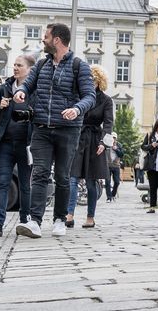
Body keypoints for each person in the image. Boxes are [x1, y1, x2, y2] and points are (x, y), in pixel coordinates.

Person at [11, 22, 96, 239]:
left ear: (57, 40)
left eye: (46, 37)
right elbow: (28, 84)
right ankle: (35, 222)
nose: (43, 40)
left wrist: (77, 109)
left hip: (68, 130)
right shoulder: (41, 65)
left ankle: (60, 219)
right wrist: (21, 91)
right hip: (41, 128)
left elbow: (90, 97)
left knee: (62, 176)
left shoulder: (79, 66)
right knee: (39, 173)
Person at [0, 55, 35, 237]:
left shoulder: (34, 89)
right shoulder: (5, 87)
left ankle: (24, 222)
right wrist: (0, 105)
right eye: (14, 65)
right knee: (2, 183)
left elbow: (40, 112)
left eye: (19, 65)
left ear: (29, 69)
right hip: (5, 142)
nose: (15, 68)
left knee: (25, 184)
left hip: (26, 143)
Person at [67, 65, 115, 228]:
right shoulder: (78, 97)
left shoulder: (106, 100)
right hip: (78, 137)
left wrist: (104, 143)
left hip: (95, 140)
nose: (90, 83)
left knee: (91, 181)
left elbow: (108, 124)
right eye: (87, 80)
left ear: (99, 82)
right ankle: (69, 214)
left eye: (93, 80)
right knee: (72, 178)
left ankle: (90, 217)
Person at [106, 136, 123, 202]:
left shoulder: (119, 145)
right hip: (107, 165)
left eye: (114, 138)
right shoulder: (107, 145)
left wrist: (116, 149)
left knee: (117, 182)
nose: (113, 139)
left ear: (116, 138)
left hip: (116, 166)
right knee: (107, 182)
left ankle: (113, 194)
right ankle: (109, 197)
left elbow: (121, 155)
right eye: (112, 138)